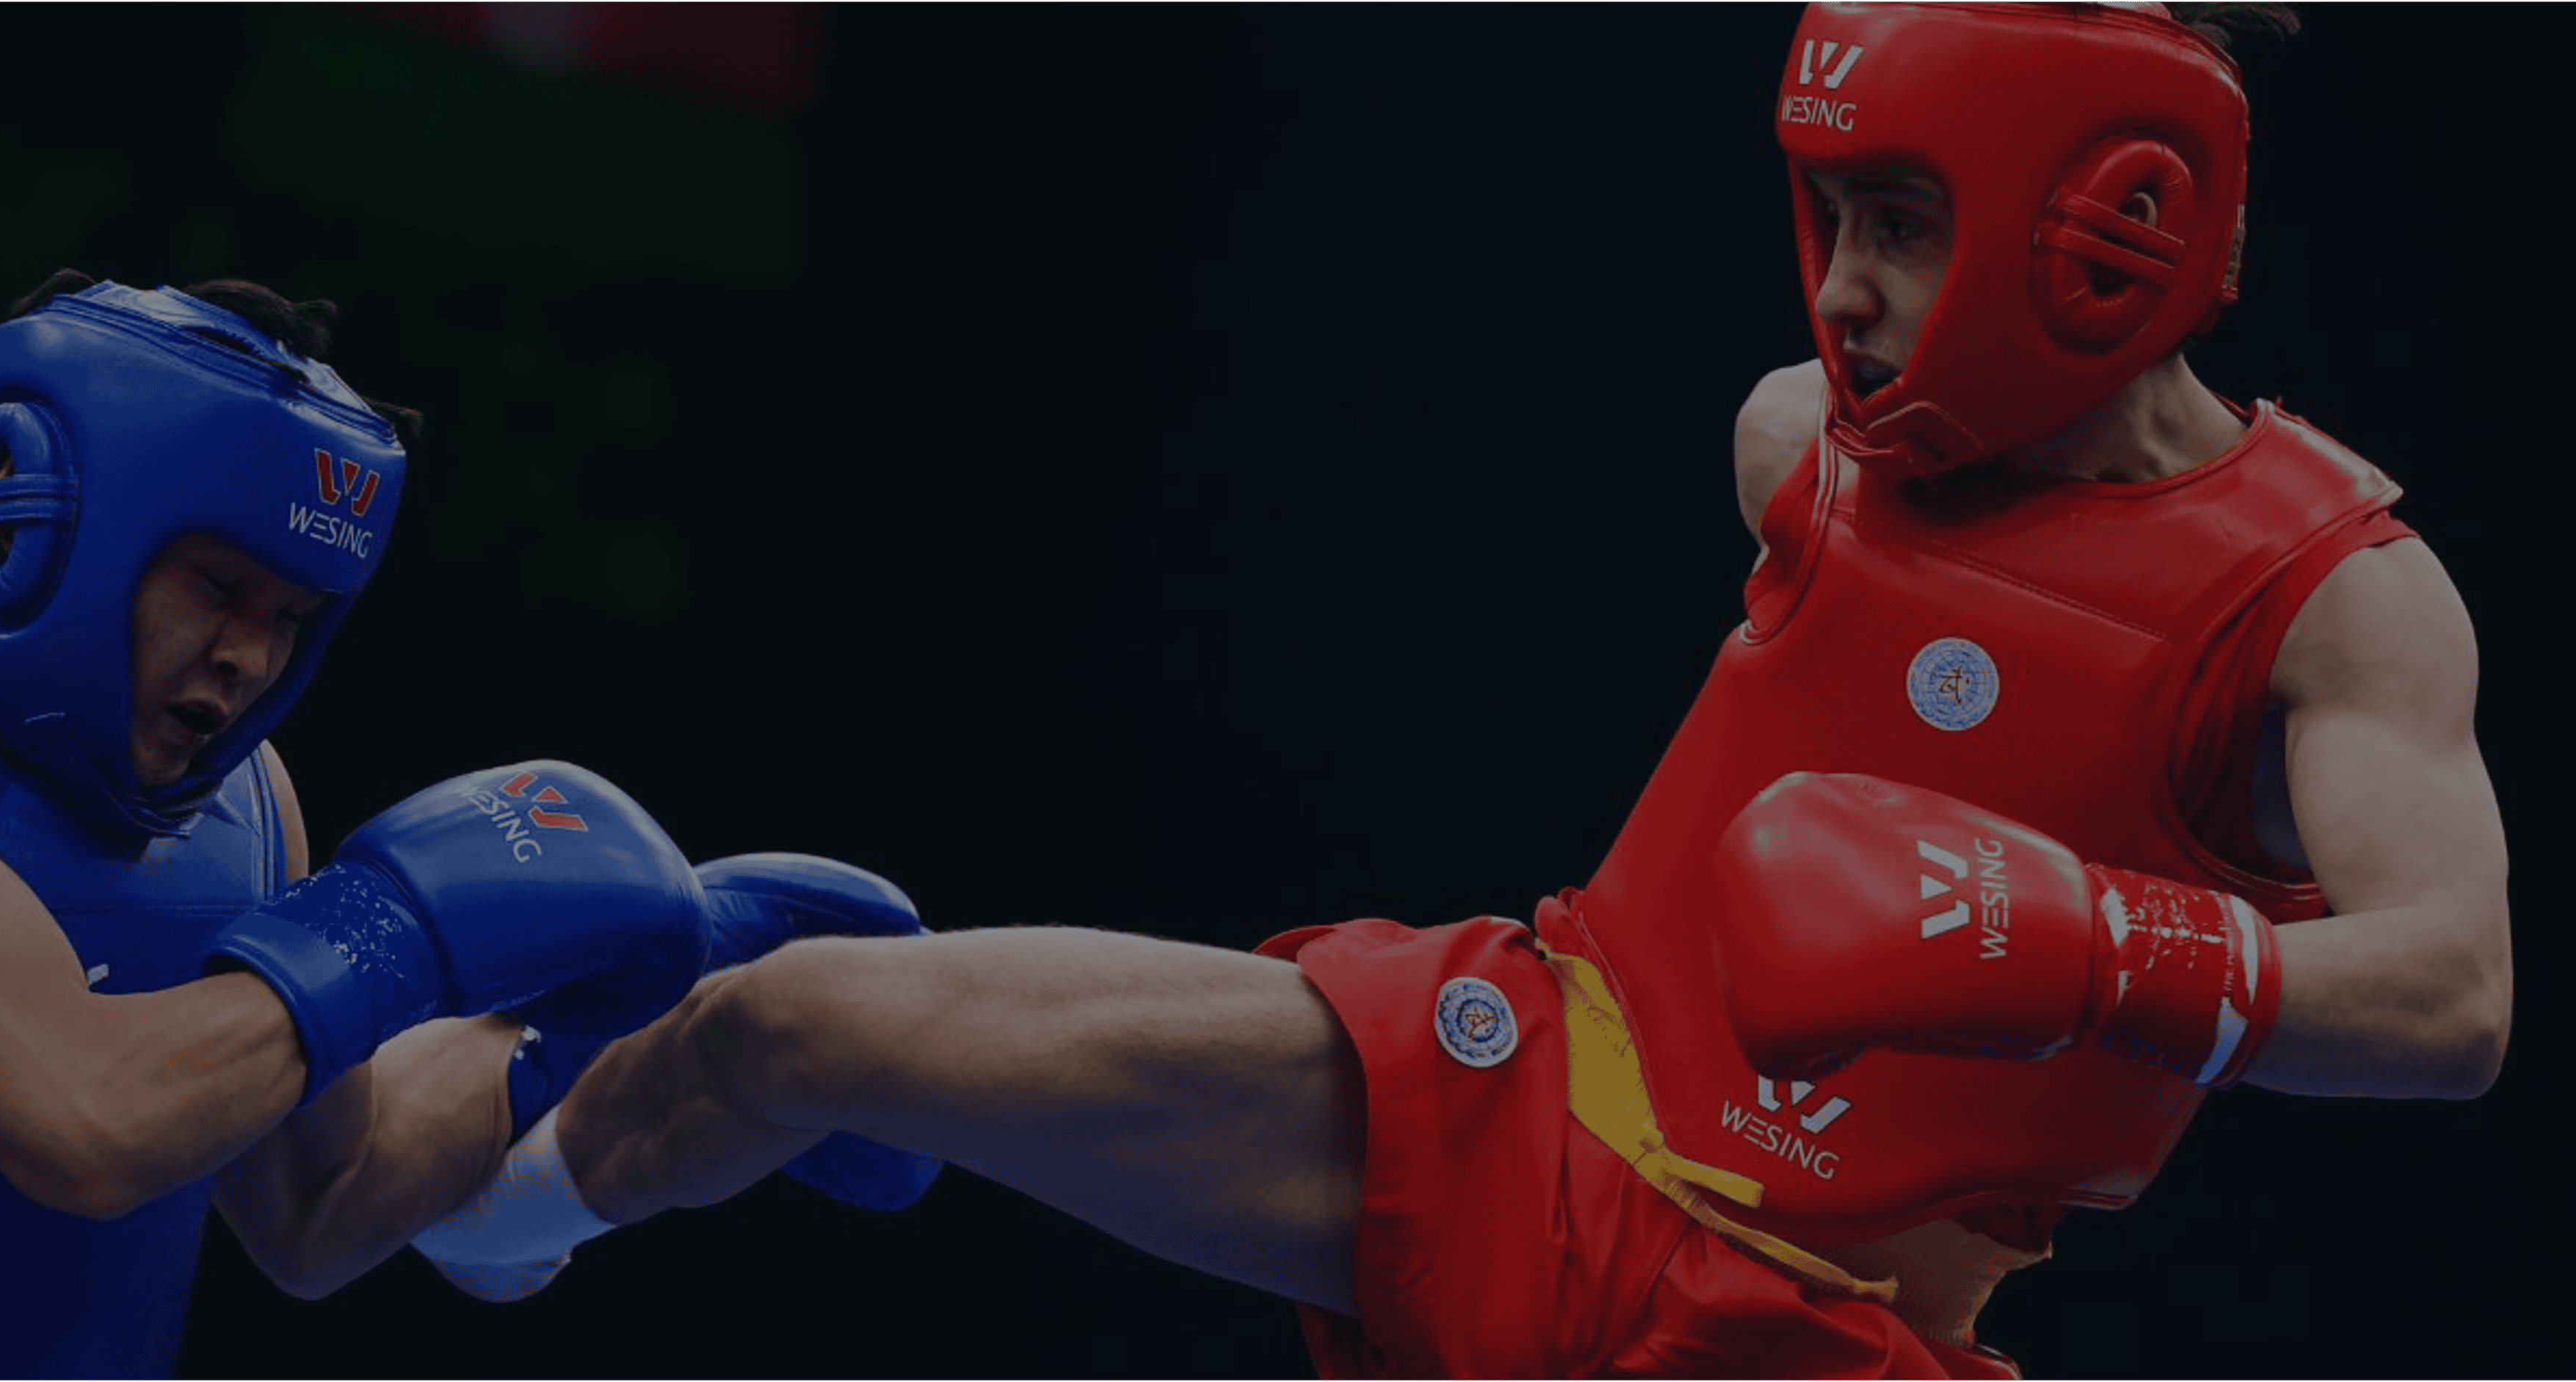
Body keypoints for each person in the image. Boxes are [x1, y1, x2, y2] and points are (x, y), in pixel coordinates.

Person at [405, 4, 2510, 1376]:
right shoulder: (1804, 450)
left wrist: (2071, 938)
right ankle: (466, 1220)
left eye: (1900, 223)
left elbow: (2449, 1001)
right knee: (801, 1017)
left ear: (2107, 230)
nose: (1847, 289)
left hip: (1817, 1328)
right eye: (1830, 214)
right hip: (1516, 1100)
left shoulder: (2330, 594)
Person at [0, 271, 935, 1378]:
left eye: (292, 615)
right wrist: (394, 926)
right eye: (219, 585)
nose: (249, 657)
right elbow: (86, 1119)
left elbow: (319, 1202)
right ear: (33, 517)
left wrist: (585, 1015)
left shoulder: (240, 804)